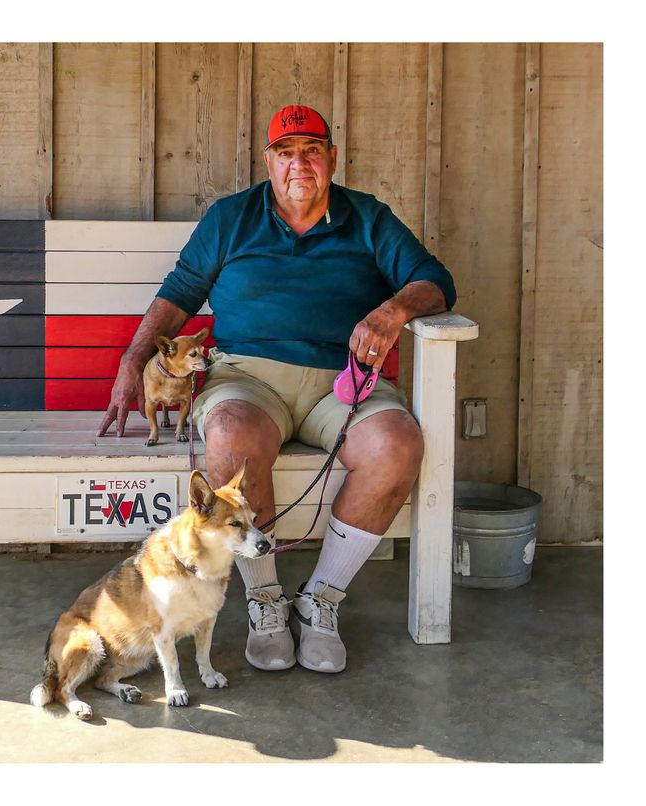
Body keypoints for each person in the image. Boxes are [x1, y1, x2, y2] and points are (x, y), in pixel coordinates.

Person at [96, 104, 456, 674]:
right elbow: (181, 293)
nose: (299, 164)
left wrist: (392, 312)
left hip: (343, 383)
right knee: (230, 436)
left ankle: (320, 601)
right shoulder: (231, 218)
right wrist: (133, 360)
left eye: (312, 151)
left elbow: (435, 281)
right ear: (268, 162)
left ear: (332, 157)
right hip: (248, 377)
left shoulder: (368, 218)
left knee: (397, 445)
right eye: (285, 153)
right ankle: (265, 601)